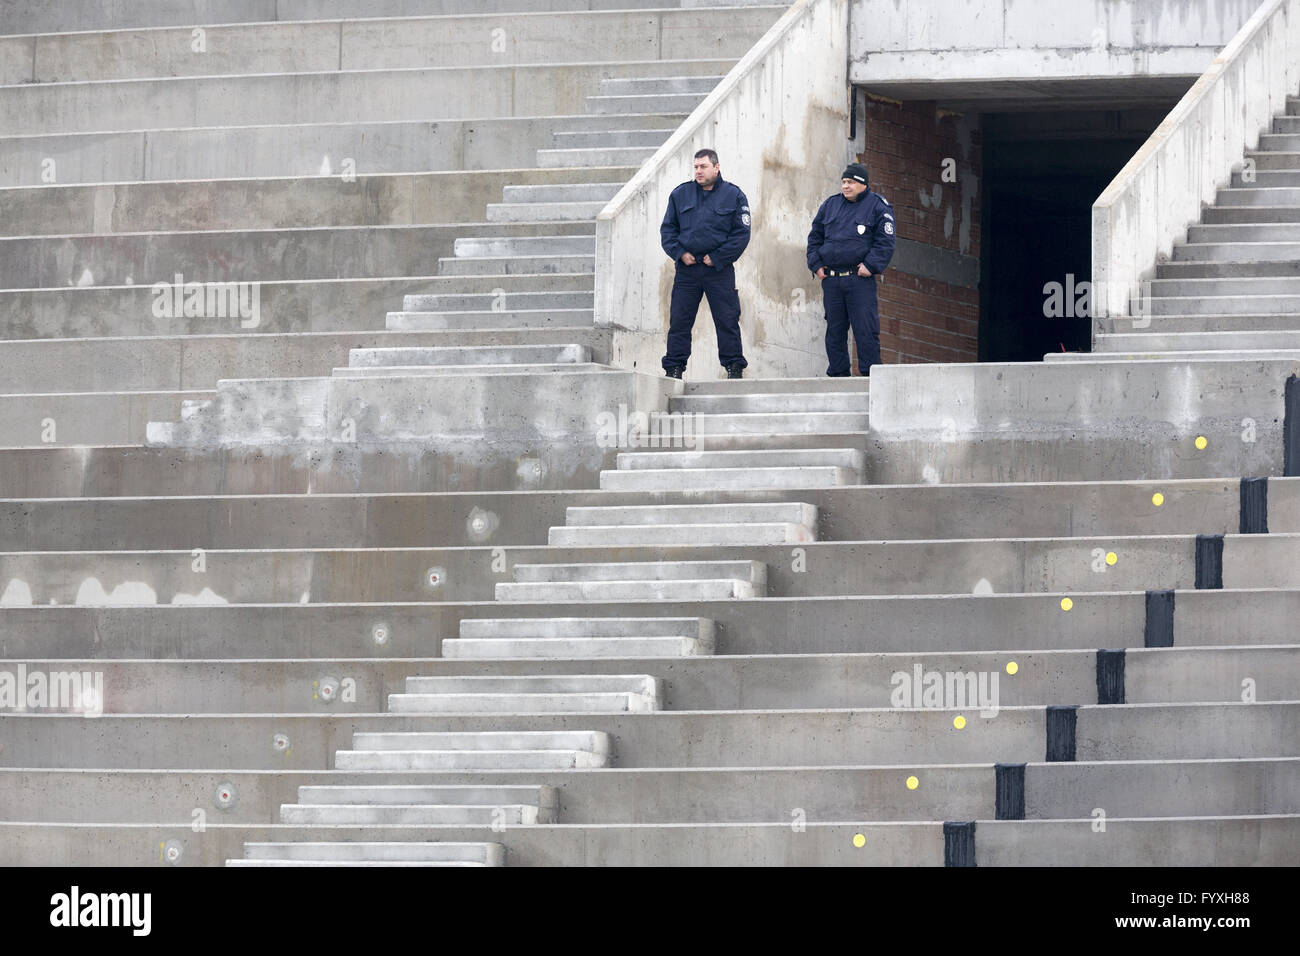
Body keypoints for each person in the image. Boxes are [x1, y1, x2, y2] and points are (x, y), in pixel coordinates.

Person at [659, 149, 752, 379]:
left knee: (727, 319)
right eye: (696, 167)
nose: (698, 171)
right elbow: (668, 230)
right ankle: (674, 369)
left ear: (716, 167)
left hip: (718, 270)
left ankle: (733, 368)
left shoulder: (734, 195)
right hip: (687, 270)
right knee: (680, 321)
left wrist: (718, 257)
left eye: (703, 166)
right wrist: (680, 253)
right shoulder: (680, 194)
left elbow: (742, 234)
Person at [806, 163, 896, 376]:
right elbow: (814, 238)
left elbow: (886, 241)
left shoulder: (877, 206)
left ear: (863, 184)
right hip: (832, 280)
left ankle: (870, 377)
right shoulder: (830, 205)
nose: (845, 186)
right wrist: (816, 265)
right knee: (834, 331)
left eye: (851, 182)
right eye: (844, 182)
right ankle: (838, 376)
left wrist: (870, 265)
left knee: (865, 330)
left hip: (859, 281)